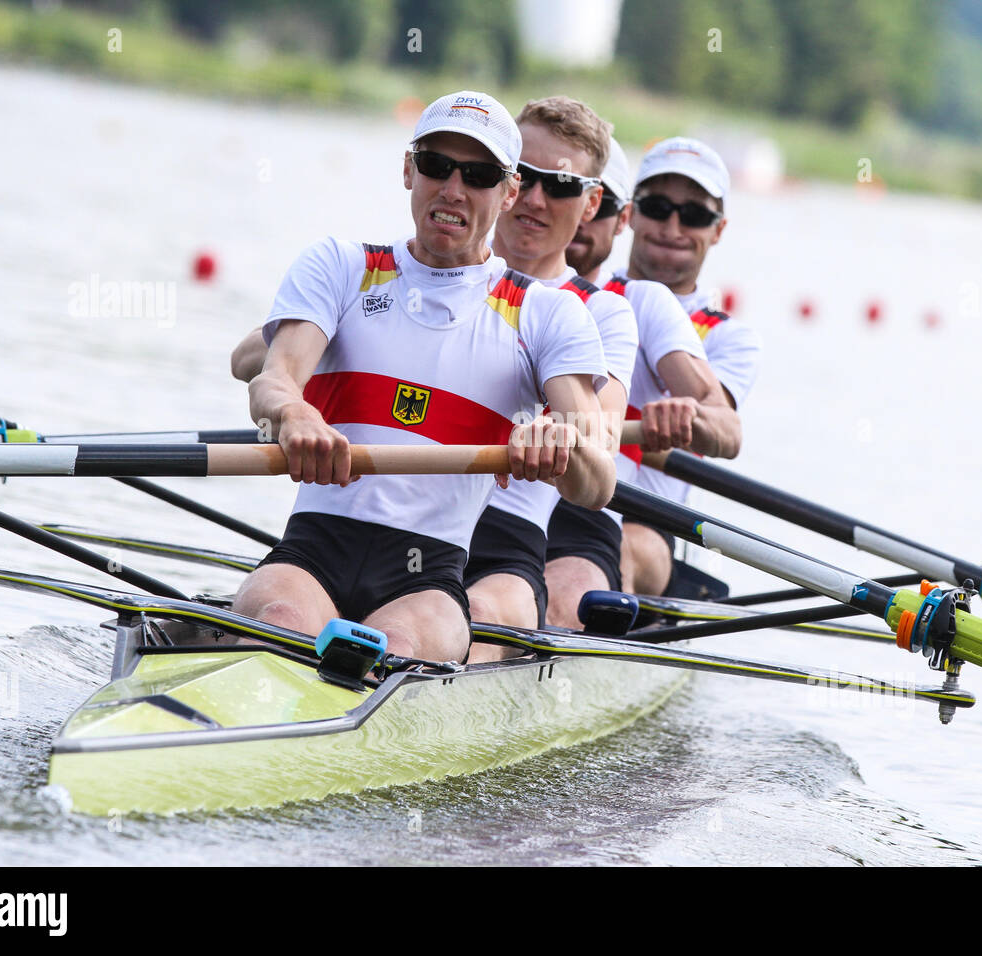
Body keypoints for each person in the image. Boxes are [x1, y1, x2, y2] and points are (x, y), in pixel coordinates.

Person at [230, 90, 615, 664]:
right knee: (281, 619)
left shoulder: (546, 312)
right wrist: (292, 413)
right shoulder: (341, 266)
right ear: (409, 169)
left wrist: (561, 444)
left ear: (507, 193)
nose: (454, 190)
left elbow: (596, 482)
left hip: (427, 577)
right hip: (312, 551)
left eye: (480, 175)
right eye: (437, 165)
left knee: (400, 650)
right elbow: (272, 377)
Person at [462, 99, 638, 651]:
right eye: (527, 179)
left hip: (509, 537)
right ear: (507, 182)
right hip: (389, 513)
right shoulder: (431, 274)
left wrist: (563, 438)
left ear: (590, 205)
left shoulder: (602, 312)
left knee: (476, 614)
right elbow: (250, 362)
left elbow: (598, 443)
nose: (536, 201)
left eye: (560, 186)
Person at [564, 136, 753, 599]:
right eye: (657, 207)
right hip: (563, 492)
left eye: (693, 215)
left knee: (617, 547)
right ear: (630, 213)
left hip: (647, 519)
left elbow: (725, 431)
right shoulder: (580, 296)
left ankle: (586, 640)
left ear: (719, 228)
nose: (671, 226)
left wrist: (688, 418)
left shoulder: (728, 337)